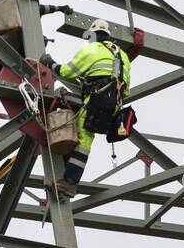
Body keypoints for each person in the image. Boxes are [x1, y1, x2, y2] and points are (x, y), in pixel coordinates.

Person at [40, 18, 131, 197]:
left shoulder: (91, 49)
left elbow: (67, 72)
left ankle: (69, 183)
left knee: (83, 140)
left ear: (94, 34)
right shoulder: (123, 56)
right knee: (87, 137)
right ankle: (68, 176)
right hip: (113, 105)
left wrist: (49, 62)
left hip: (95, 100)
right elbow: (126, 90)